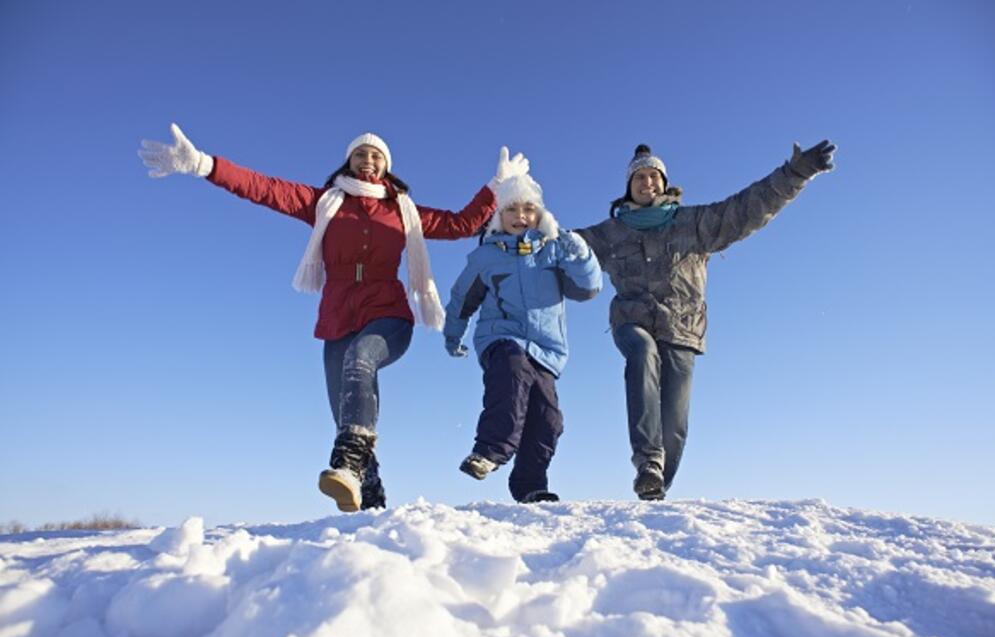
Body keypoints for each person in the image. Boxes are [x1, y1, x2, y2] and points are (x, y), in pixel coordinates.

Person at [138, 123, 529, 512]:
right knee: (345, 413)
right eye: (361, 154)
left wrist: (496, 186)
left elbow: (460, 224)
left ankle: (345, 463)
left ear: (386, 167)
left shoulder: (401, 210)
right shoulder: (325, 202)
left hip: (387, 313)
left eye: (377, 156)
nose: (368, 161)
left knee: (359, 362)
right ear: (348, 161)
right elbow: (263, 188)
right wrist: (204, 164)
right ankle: (369, 492)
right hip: (337, 317)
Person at [575, 140, 837, 500]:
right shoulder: (608, 234)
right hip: (631, 322)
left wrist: (795, 172)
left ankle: (656, 487)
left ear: (664, 183)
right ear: (628, 186)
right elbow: (560, 244)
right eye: (639, 177)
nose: (646, 182)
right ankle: (648, 462)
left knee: (676, 422)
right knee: (641, 352)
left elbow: (747, 208)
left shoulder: (695, 223)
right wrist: (512, 230)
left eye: (653, 176)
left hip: (682, 327)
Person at [443, 172, 602, 503]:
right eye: (511, 210)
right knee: (512, 375)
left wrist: (582, 255)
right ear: (499, 216)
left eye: (528, 209)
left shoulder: (554, 250)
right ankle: (489, 451)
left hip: (546, 348)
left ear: (540, 214)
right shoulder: (486, 256)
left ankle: (530, 485)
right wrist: (453, 334)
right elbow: (462, 299)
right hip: (500, 338)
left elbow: (588, 289)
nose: (520, 217)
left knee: (548, 419)